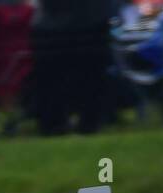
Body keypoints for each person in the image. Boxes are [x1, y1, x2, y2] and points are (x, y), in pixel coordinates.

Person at [32, 0, 118, 136]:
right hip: (88, 26)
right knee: (90, 80)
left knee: (54, 82)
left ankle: (57, 124)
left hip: (55, 29)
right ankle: (87, 122)